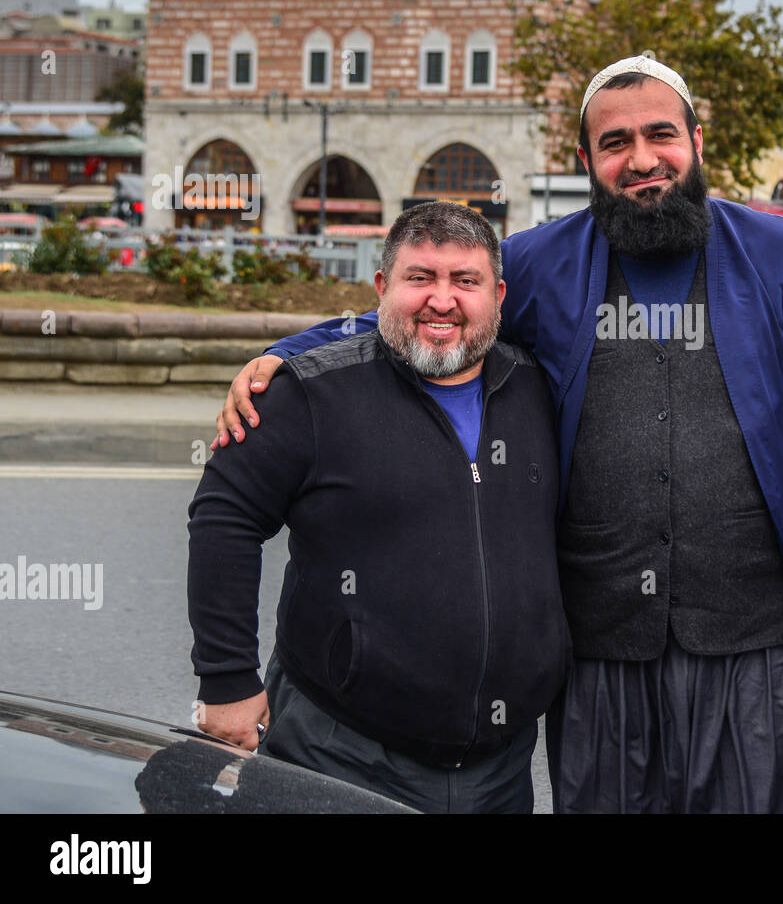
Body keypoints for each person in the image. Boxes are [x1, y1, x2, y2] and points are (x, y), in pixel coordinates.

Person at [213, 55, 783, 813]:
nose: (642, 158)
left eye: (661, 134)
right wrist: (282, 354)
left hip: (760, 649)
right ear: (585, 160)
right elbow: (427, 311)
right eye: (615, 142)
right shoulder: (542, 261)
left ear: (696, 137)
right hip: (601, 657)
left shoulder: (778, 255)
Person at [188, 201, 568, 814]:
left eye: (464, 282)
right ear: (381, 287)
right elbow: (223, 518)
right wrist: (226, 680)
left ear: (498, 295)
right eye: (420, 278)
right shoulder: (309, 393)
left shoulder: (538, 388)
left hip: (499, 769)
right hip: (339, 751)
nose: (441, 301)